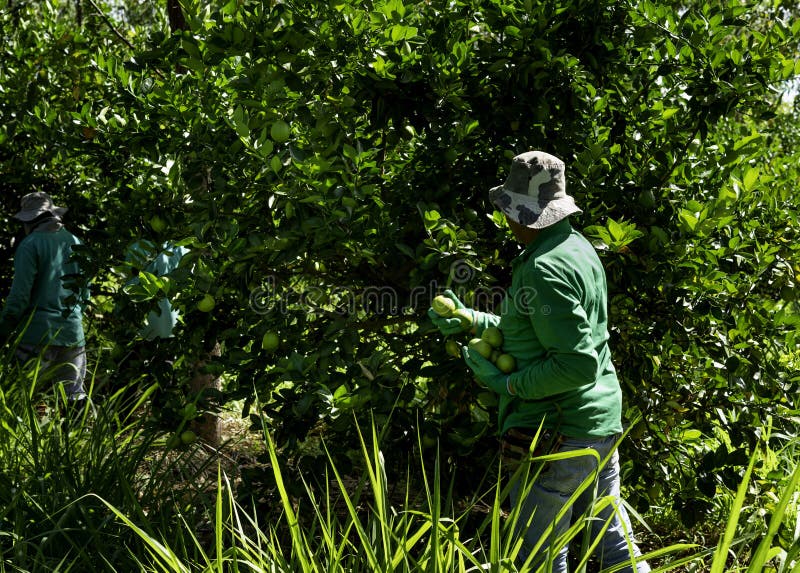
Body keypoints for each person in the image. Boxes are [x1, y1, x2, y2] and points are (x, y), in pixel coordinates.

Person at [428, 151, 650, 572]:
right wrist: (471, 318)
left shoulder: (543, 268)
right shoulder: (576, 247)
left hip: (557, 432)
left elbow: (575, 364)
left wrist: (508, 385)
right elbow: (540, 330)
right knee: (613, 547)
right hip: (598, 422)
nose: (506, 220)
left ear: (524, 214)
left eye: (509, 211)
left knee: (541, 557)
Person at [0, 192, 88, 406]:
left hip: (36, 335)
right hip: (72, 333)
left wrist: (3, 331)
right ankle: (76, 437)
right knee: (74, 397)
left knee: (24, 399)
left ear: (29, 221)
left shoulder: (30, 245)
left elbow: (19, 297)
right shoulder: (76, 242)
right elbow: (84, 295)